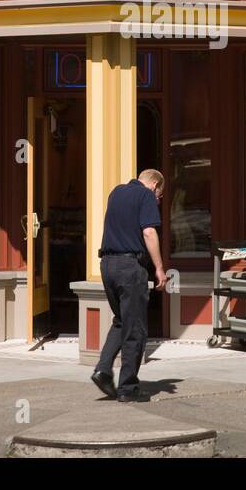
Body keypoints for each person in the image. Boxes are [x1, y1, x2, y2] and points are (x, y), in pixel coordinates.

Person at [91, 169, 167, 402]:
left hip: (107, 265)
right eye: (160, 196)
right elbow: (149, 232)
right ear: (154, 185)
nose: (158, 200)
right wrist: (159, 268)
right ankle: (128, 388)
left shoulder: (116, 193)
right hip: (129, 267)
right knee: (136, 329)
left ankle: (103, 370)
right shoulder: (145, 196)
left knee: (122, 320)